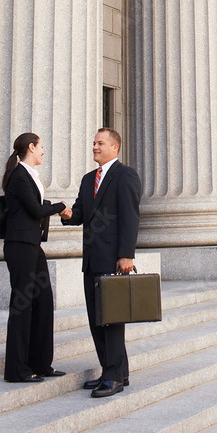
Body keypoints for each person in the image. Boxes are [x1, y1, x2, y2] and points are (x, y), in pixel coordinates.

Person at [61, 127, 141, 398]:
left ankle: (113, 378)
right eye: (94, 143)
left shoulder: (125, 175)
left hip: (113, 260)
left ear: (114, 147)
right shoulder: (88, 180)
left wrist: (126, 254)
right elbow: (80, 214)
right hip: (91, 261)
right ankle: (115, 371)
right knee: (97, 320)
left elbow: (130, 217)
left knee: (112, 320)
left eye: (100, 143)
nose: (95, 147)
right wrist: (66, 214)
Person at [2, 132, 71, 383]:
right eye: (41, 147)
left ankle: (41, 364)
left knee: (43, 301)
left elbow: (34, 207)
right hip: (20, 246)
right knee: (22, 306)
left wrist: (54, 206)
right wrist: (60, 207)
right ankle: (17, 370)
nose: (43, 151)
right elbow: (35, 210)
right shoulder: (20, 175)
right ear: (31, 147)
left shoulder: (30, 175)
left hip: (32, 245)